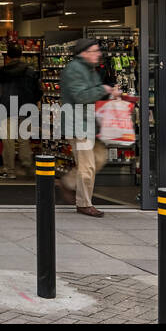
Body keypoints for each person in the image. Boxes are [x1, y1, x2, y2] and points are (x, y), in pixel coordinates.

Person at [58, 38, 121, 218]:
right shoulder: (74, 70)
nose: (98, 54)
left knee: (100, 157)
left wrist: (109, 93)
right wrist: (104, 89)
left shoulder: (88, 69)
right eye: (94, 51)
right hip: (78, 124)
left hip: (90, 123)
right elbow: (81, 96)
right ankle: (84, 203)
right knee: (87, 166)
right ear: (83, 52)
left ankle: (68, 182)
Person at [0, 45, 41, 179]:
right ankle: (26, 163)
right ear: (21, 55)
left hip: (7, 110)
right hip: (25, 110)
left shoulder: (2, 72)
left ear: (7, 56)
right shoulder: (30, 71)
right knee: (23, 140)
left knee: (8, 141)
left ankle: (10, 170)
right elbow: (38, 91)